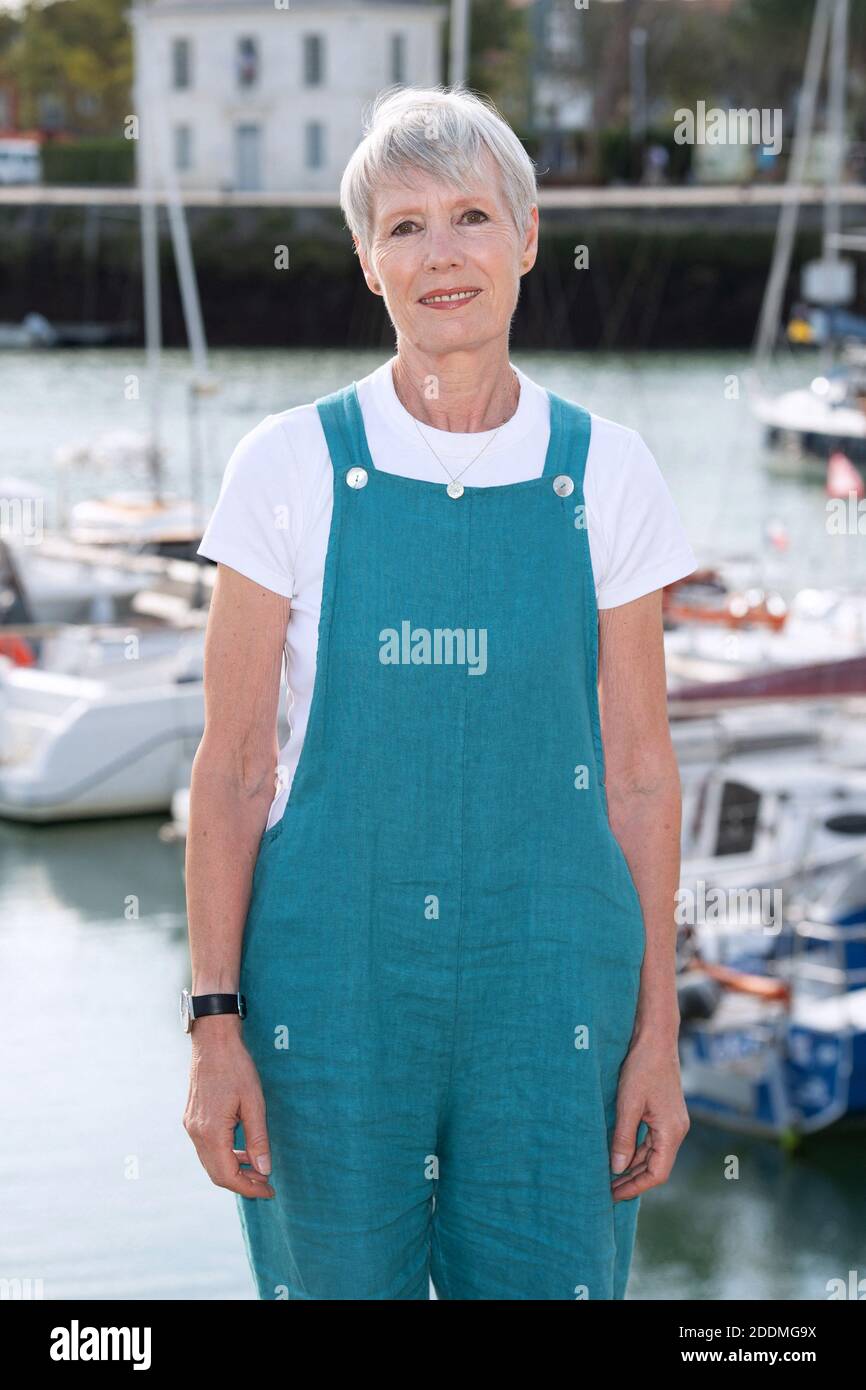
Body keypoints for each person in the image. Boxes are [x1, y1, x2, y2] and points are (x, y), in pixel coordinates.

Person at [182, 85, 696, 1301]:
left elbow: (636, 775)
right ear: (367, 263)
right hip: (328, 1005)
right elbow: (232, 771)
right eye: (403, 226)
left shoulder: (607, 473)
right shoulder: (285, 466)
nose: (441, 252)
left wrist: (655, 1036)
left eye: (470, 215)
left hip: (554, 1003)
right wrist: (215, 1028)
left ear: (525, 237)